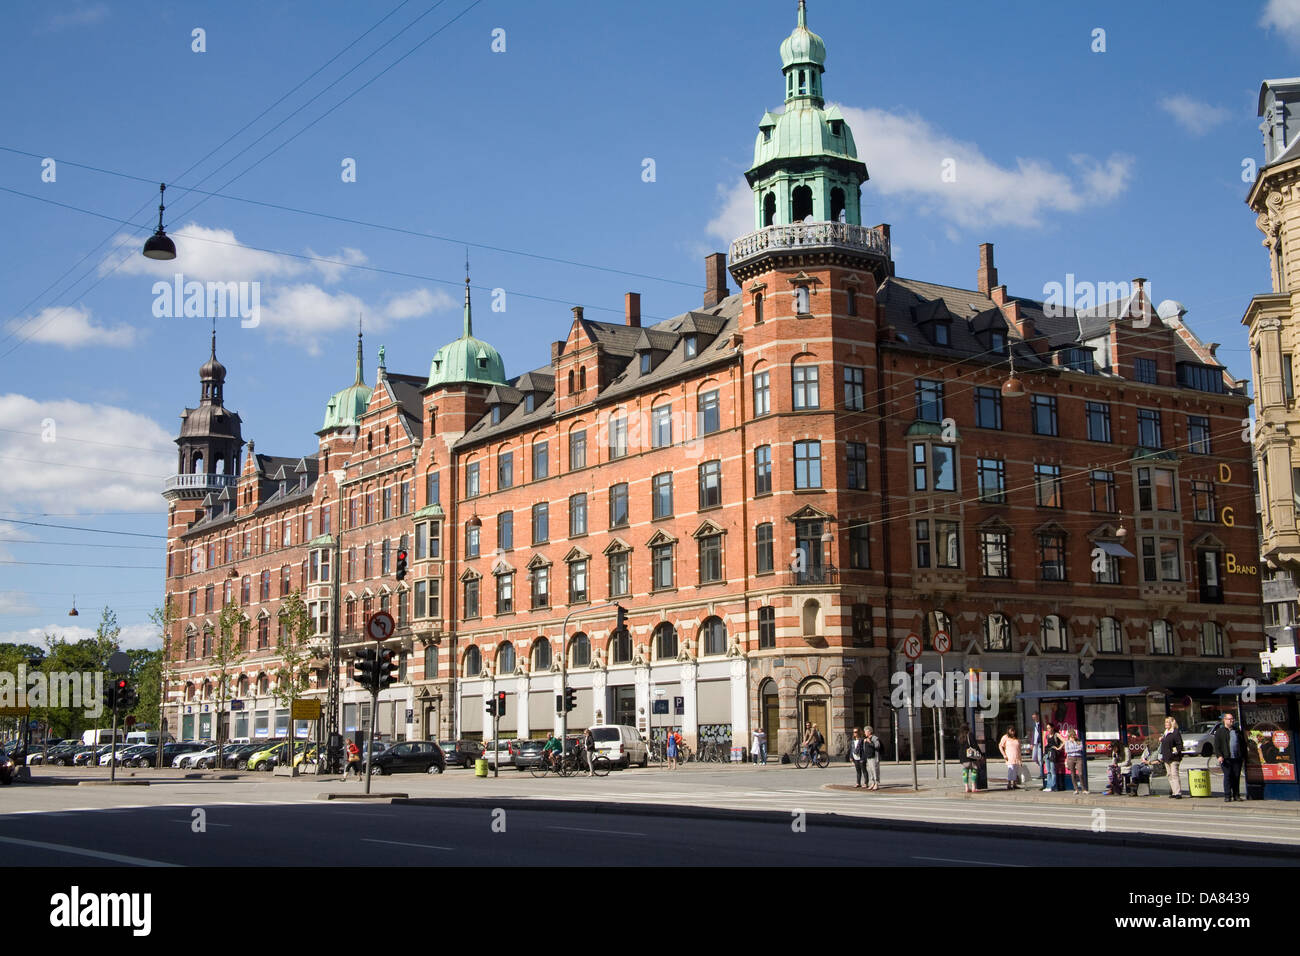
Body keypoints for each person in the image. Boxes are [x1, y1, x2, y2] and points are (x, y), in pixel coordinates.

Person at [1213, 712, 1247, 802]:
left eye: (1232, 719)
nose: (1232, 720)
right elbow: (1217, 746)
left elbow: (1242, 744)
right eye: (1230, 719)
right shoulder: (1220, 732)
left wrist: (1243, 755)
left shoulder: (1236, 731)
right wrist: (1219, 756)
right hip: (1226, 758)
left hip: (1236, 758)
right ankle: (1227, 795)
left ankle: (1236, 795)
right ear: (1224, 720)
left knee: (1236, 776)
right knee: (1228, 776)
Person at [1160, 717, 1184, 799]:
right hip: (1166, 757)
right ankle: (1174, 792)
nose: (1165, 724)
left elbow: (1179, 745)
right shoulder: (1165, 733)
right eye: (1165, 722)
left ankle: (1178, 792)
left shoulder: (1175, 732)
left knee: (1174, 774)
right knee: (1169, 775)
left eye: (1167, 722)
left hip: (1174, 758)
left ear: (1171, 723)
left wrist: (1173, 752)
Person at [958, 723, 982, 793]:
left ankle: (966, 787)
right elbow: (975, 746)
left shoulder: (960, 737)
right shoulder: (970, 735)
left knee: (965, 771)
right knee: (974, 770)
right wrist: (980, 755)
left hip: (963, 757)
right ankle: (974, 787)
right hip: (971, 756)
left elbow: (958, 748)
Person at [1063, 728, 1086, 793]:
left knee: (1080, 773)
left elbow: (1081, 748)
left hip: (1078, 758)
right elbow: (1067, 750)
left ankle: (1083, 789)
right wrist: (1076, 749)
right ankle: (1076, 789)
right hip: (1071, 758)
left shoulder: (1078, 741)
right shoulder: (1067, 742)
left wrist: (1075, 746)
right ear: (1069, 735)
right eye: (1071, 735)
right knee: (1073, 774)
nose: (1073, 736)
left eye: (1073, 735)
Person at [1042, 723, 1061, 791]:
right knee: (1048, 770)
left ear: (1052, 728)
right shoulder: (1047, 735)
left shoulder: (1056, 734)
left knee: (1053, 770)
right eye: (1047, 728)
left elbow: (1064, 741)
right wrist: (1044, 752)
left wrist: (1058, 748)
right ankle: (1048, 786)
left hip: (1053, 753)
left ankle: (1053, 786)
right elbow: (1046, 743)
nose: (1048, 730)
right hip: (1047, 752)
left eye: (1049, 728)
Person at [863, 725, 882, 790]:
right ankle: (873, 782)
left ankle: (876, 783)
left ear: (869, 732)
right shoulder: (865, 739)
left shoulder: (874, 738)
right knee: (871, 770)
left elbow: (877, 746)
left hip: (874, 757)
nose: (864, 733)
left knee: (875, 770)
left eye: (865, 731)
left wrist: (870, 742)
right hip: (869, 757)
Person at [1029, 712, 1043, 782]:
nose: (1034, 719)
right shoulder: (1034, 724)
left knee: (1040, 758)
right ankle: (1042, 767)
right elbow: (1033, 734)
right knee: (1034, 757)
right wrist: (1031, 743)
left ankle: (1042, 773)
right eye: (1033, 718)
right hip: (1035, 743)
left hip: (1039, 742)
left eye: (1035, 717)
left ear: (1038, 716)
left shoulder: (1041, 724)